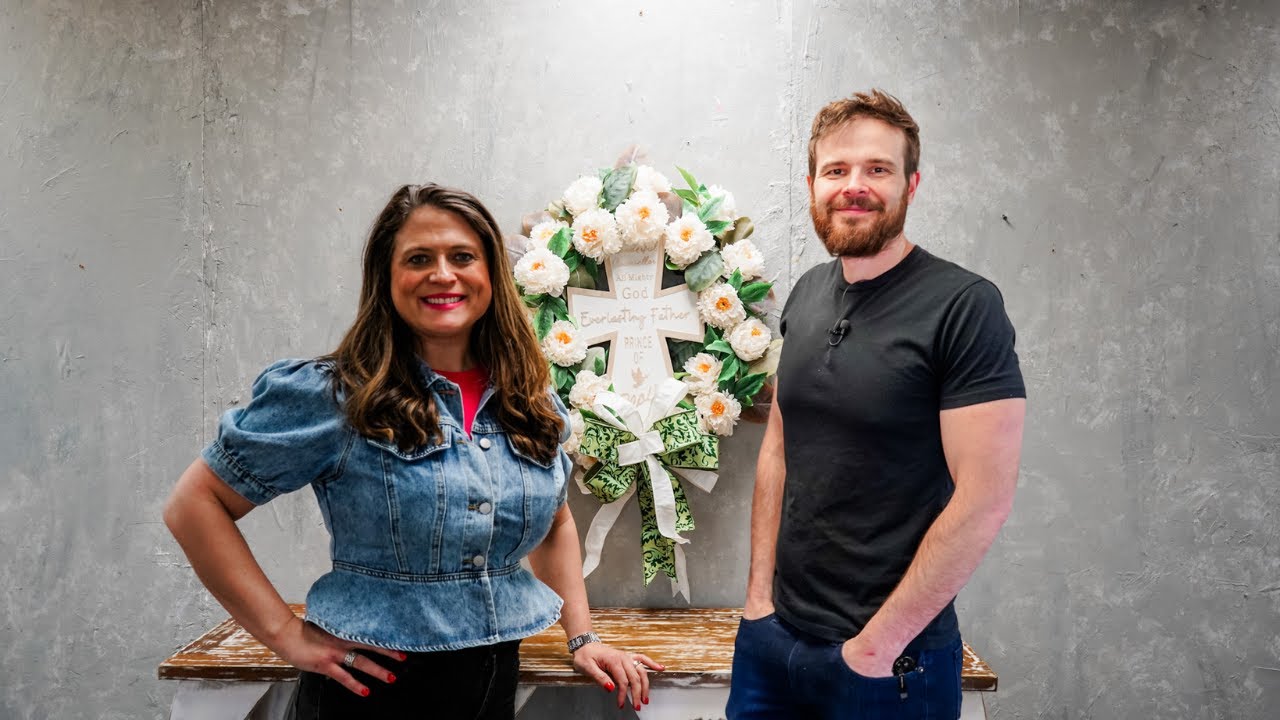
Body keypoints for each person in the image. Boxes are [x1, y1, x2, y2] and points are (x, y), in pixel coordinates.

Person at [163, 184, 662, 719]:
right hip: (366, 699)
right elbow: (194, 504)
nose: (442, 274)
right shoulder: (337, 396)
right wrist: (284, 633)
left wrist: (581, 637)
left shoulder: (529, 400)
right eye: (419, 259)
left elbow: (556, 521)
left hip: (489, 691)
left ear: (490, 274)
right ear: (387, 278)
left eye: (462, 257)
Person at [726, 90, 1026, 719]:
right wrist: (757, 602)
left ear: (911, 184)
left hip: (888, 666)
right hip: (773, 645)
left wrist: (873, 650)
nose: (853, 187)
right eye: (836, 171)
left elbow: (985, 499)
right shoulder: (807, 293)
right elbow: (779, 445)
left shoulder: (964, 307)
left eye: (877, 170)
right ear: (812, 184)